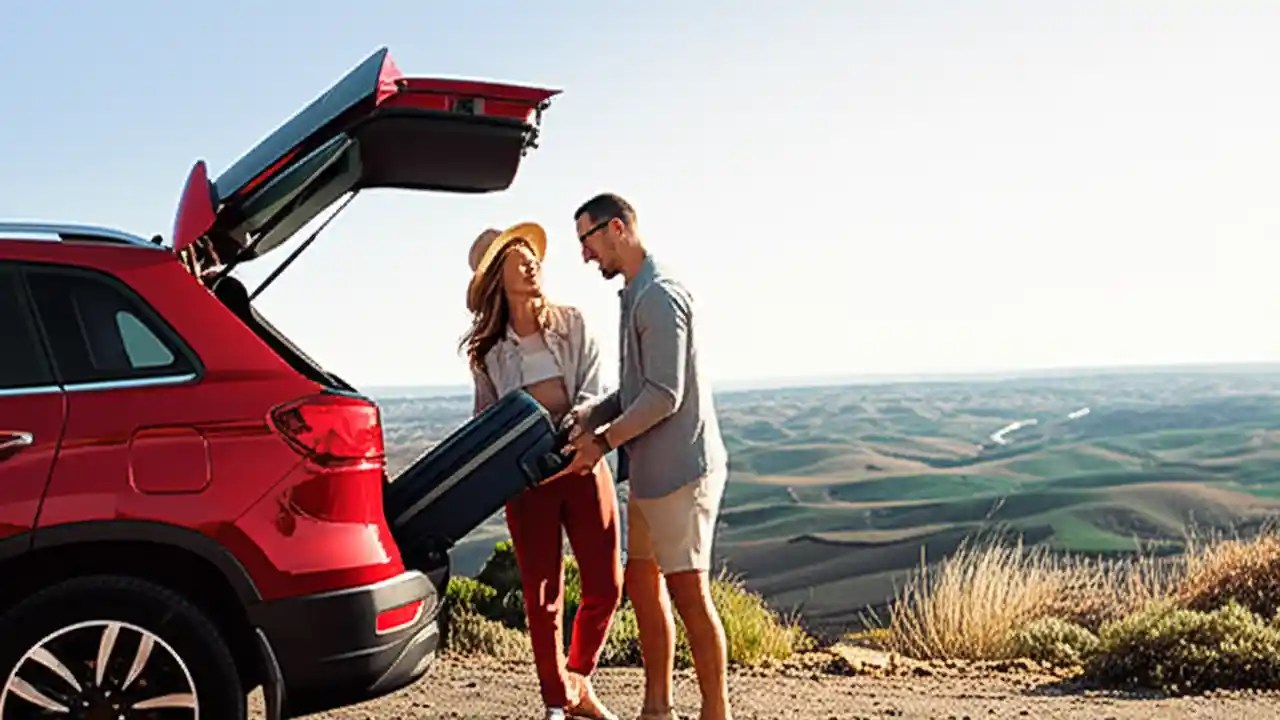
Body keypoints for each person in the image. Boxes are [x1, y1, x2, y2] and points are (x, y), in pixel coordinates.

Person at [562, 194, 732, 720]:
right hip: (647, 471)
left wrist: (602, 443)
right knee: (641, 582)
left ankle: (716, 714)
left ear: (618, 229)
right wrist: (589, 414)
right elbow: (636, 390)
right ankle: (657, 709)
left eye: (587, 240)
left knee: (689, 594)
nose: (586, 256)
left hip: (680, 471)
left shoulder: (659, 296)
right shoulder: (635, 293)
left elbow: (663, 396)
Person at [461, 222, 624, 720]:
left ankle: (578, 679)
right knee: (542, 594)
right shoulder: (487, 353)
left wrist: (576, 435)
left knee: (605, 584)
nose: (532, 262)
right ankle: (556, 700)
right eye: (518, 255)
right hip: (525, 482)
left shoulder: (573, 323)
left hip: (581, 463)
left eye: (533, 255)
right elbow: (486, 419)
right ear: (497, 277)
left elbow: (595, 392)